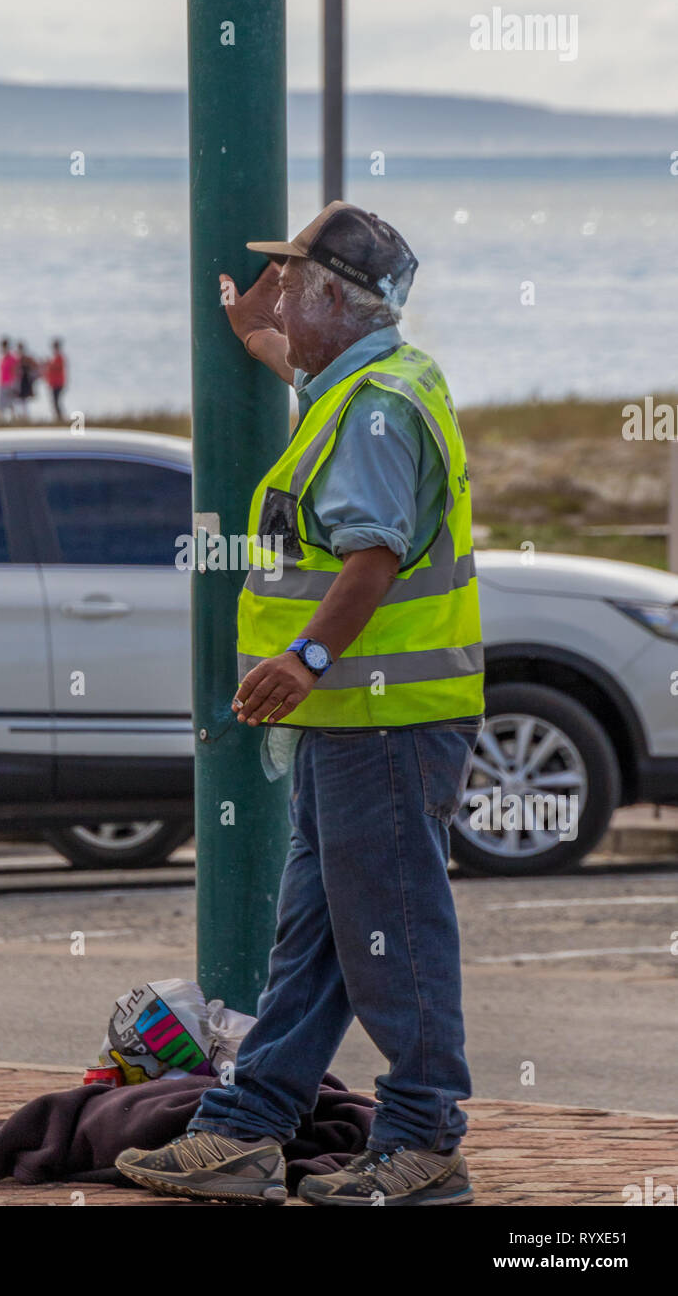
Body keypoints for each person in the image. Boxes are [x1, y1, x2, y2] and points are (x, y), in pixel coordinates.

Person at [116, 202, 484, 1207]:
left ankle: (421, 1143)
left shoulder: (371, 408)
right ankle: (245, 1127)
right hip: (355, 722)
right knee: (318, 937)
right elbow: (326, 397)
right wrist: (265, 341)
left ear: (332, 293)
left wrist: (307, 656)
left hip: (381, 716)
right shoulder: (359, 386)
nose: (276, 291)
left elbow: (370, 553)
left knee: (392, 930)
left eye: (290, 280)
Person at [45, 338, 67, 420]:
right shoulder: (54, 358)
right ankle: (58, 417)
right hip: (53, 383)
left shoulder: (59, 358)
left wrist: (49, 364)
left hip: (58, 383)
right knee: (54, 402)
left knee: (56, 402)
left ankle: (60, 418)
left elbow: (57, 368)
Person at [0, 337, 19, 419]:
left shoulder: (12, 358)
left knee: (10, 402)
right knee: (1, 403)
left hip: (9, 383)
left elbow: (15, 371)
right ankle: (0, 418)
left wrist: (14, 384)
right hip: (2, 383)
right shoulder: (2, 358)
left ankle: (13, 418)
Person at [13, 341, 37, 418]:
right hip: (18, 383)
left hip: (25, 382)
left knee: (24, 401)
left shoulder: (27, 359)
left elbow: (34, 368)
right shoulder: (16, 359)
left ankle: (25, 416)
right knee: (18, 401)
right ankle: (20, 416)